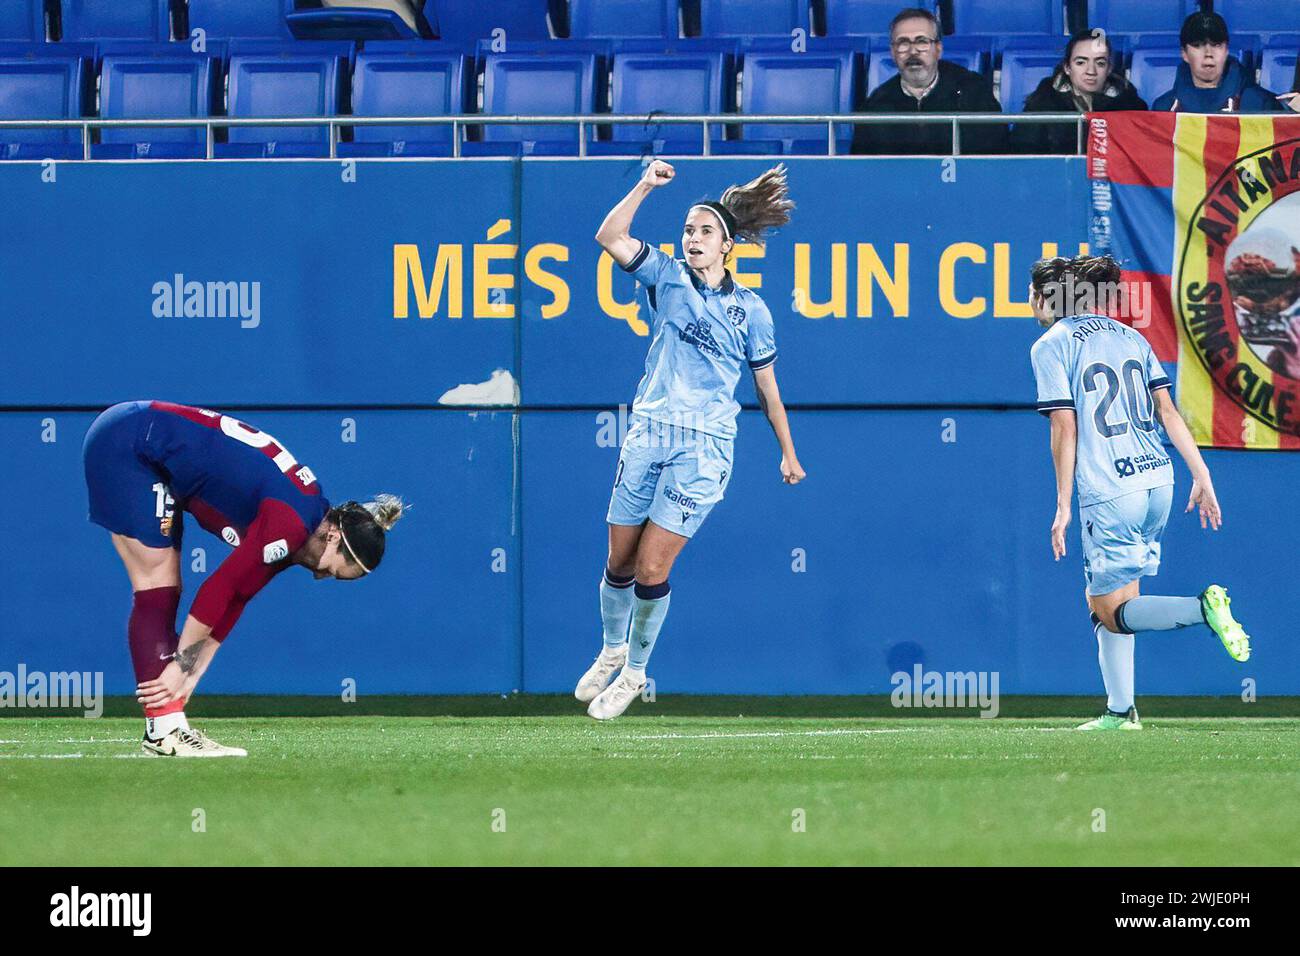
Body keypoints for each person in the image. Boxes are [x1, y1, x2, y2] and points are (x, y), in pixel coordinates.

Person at [578, 159, 805, 720]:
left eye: (704, 231)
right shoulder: (667, 277)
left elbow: (767, 388)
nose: (692, 238)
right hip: (648, 434)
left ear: (728, 245)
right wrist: (644, 185)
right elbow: (609, 236)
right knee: (620, 561)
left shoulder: (752, 310)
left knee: (653, 569)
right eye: (687, 229)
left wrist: (788, 451)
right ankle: (611, 650)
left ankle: (634, 671)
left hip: (704, 447)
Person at [82, 400, 405, 756]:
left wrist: (194, 672)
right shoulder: (290, 525)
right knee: (157, 585)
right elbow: (221, 587)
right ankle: (163, 730)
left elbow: (239, 596)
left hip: (143, 439)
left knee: (165, 587)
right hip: (131, 444)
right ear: (333, 537)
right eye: (329, 570)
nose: (319, 577)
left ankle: (167, 724)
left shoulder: (306, 523)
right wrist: (179, 665)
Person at [1027, 256, 1251, 732]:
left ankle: (1203, 609)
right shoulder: (1131, 336)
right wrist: (1202, 474)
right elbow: (1169, 412)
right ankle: (1120, 711)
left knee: (1111, 614)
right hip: (1158, 481)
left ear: (1049, 298)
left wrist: (1063, 503)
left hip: (1110, 489)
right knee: (1112, 598)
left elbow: (1064, 426)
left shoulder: (1052, 344)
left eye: (1033, 293)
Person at [853, 7, 1005, 156]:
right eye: (903, 43)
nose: (913, 52)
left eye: (922, 42)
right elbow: (863, 170)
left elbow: (997, 158)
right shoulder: (876, 105)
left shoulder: (973, 91)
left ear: (938, 49)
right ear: (893, 52)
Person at [1013, 29, 1146, 155]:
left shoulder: (1131, 104)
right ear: (1067, 67)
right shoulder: (1042, 102)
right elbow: (1023, 155)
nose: (1091, 71)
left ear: (1109, 68)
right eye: (1081, 62)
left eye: (1100, 63)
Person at [1152, 11, 1279, 114]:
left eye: (1216, 45)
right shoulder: (1163, 108)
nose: (1208, 53)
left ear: (1226, 50)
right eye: (1198, 46)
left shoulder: (1260, 104)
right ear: (1184, 54)